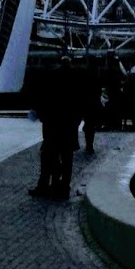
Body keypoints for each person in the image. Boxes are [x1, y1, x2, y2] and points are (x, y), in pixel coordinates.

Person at [29, 56, 81, 200]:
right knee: (67, 157)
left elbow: (44, 98)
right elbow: (79, 102)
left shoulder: (52, 77)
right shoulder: (76, 79)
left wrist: (42, 115)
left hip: (53, 124)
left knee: (49, 155)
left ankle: (46, 184)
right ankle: (63, 186)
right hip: (68, 125)